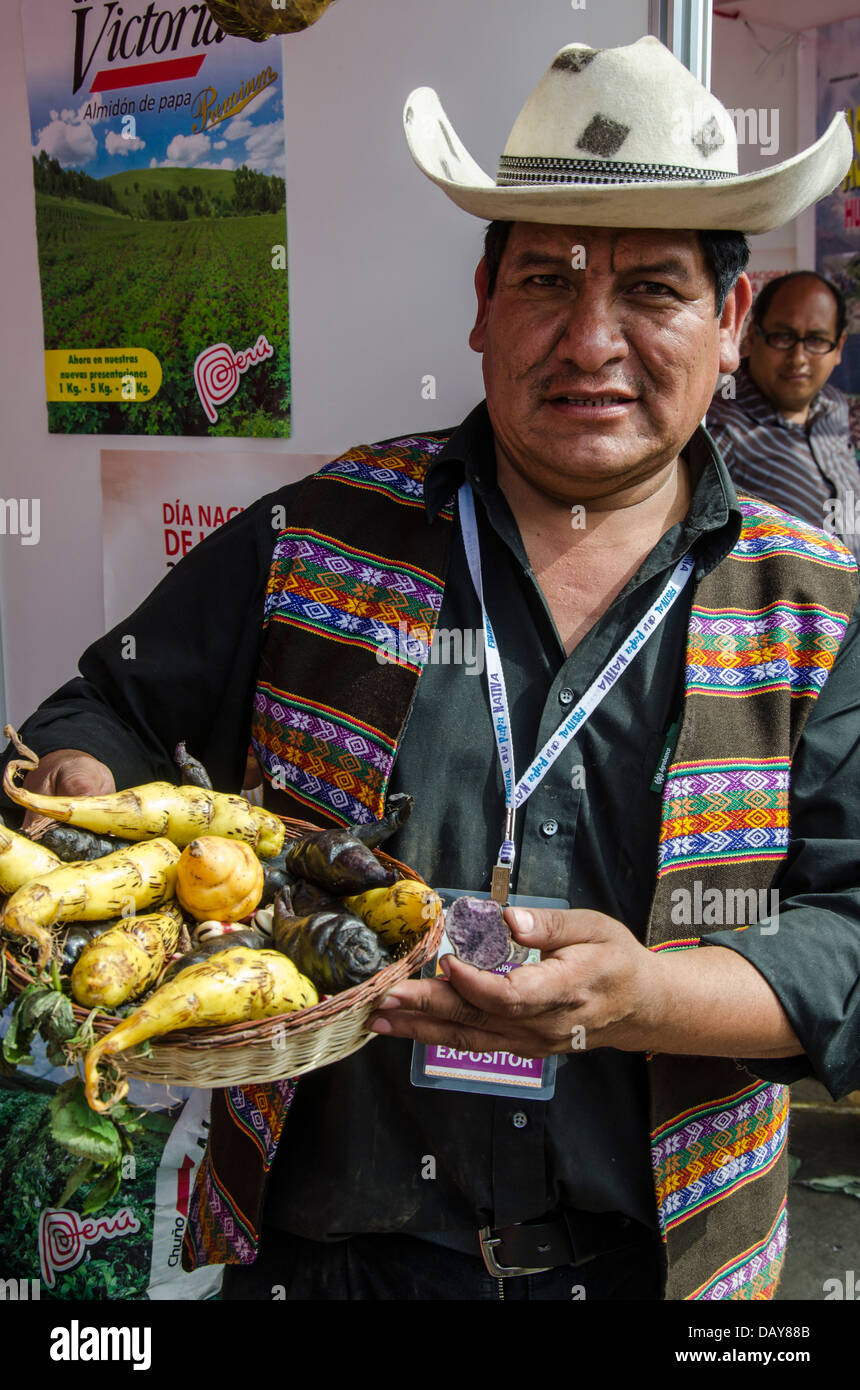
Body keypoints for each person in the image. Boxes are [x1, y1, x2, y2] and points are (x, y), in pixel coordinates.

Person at [4, 36, 859, 1302]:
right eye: (544, 281)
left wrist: (639, 997)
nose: (588, 338)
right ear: (478, 301)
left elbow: (845, 929)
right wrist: (84, 814)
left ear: (727, 321)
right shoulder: (317, 536)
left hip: (662, 1273)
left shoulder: (815, 607)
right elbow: (108, 709)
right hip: (327, 1264)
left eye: (651, 291)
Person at [707, 272, 859, 557]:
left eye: (816, 340)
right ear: (752, 336)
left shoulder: (835, 407)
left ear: (838, 348)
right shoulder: (720, 431)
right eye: (782, 337)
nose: (798, 358)